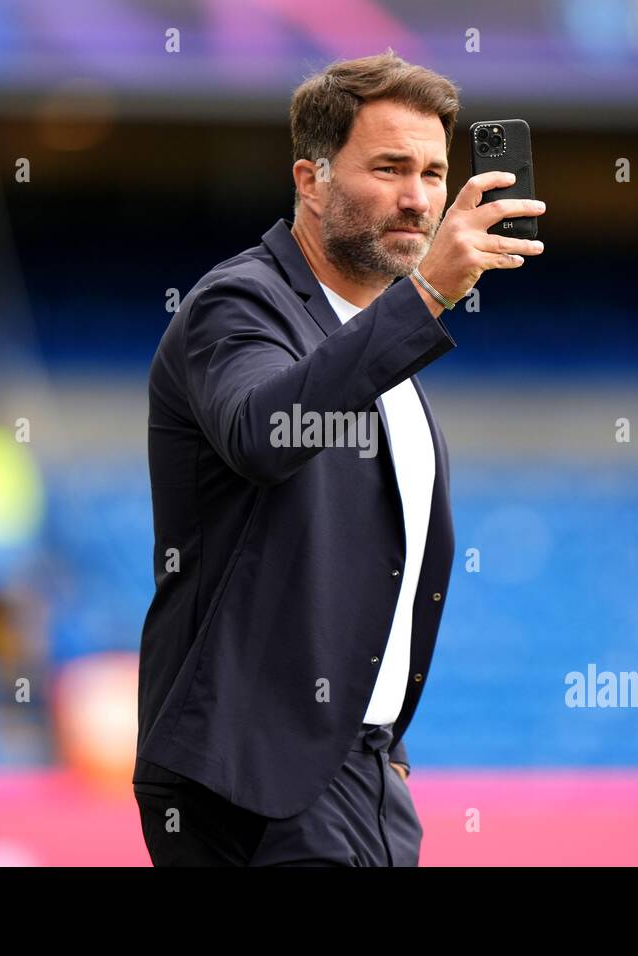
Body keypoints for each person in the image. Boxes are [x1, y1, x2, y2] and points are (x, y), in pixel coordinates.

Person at [133, 49, 545, 866]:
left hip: (360, 772)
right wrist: (424, 295)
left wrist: (384, 749)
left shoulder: (379, 338)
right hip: (254, 775)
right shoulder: (239, 302)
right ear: (311, 180)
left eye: (433, 172)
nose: (419, 197)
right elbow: (263, 433)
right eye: (389, 167)